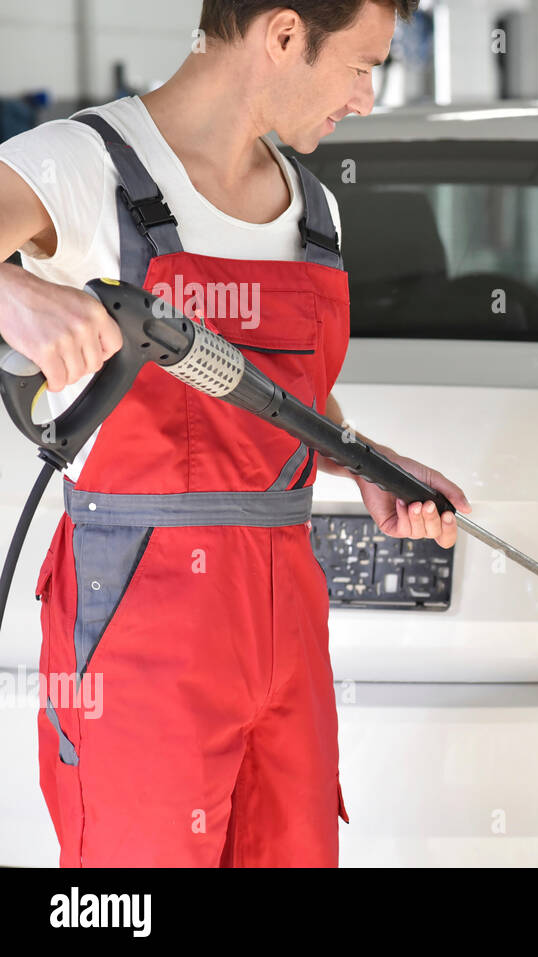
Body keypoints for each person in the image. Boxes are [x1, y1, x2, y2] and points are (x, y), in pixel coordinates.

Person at [0, 0, 471, 866]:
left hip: (286, 612)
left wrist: (362, 460)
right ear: (284, 35)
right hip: (137, 619)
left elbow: (278, 398)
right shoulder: (80, 164)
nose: (367, 98)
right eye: (362, 65)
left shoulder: (316, 211)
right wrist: (15, 293)